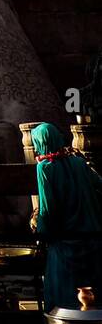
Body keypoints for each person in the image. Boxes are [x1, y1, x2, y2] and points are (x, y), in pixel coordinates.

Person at [30, 121, 102, 312]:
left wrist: (41, 234)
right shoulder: (78, 162)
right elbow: (98, 182)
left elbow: (47, 208)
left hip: (64, 243)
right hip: (92, 239)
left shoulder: (44, 168)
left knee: (63, 302)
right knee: (93, 299)